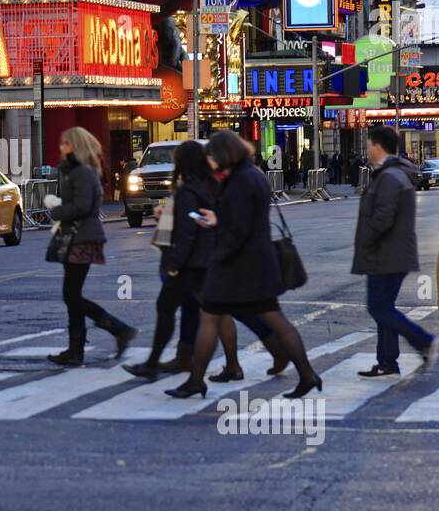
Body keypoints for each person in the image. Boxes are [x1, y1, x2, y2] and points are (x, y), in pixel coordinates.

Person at [166, 130, 322, 399]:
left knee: (211, 317)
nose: (210, 161)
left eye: (212, 156)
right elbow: (243, 221)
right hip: (255, 264)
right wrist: (218, 219)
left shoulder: (240, 182)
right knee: (272, 319)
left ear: (224, 153)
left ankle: (196, 380)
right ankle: (307, 374)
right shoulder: (253, 175)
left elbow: (237, 231)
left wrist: (217, 253)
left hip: (238, 266)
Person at [123, 141, 243, 380]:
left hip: (190, 265)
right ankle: (227, 364)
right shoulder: (211, 185)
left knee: (166, 308)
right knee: (215, 313)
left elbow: (187, 232)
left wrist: (173, 264)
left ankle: (157, 364)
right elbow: (200, 219)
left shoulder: (188, 190)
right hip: (208, 260)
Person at [353, 126, 439, 377]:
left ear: (378, 147)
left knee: (379, 308)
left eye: (369, 145)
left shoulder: (390, 177)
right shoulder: (392, 174)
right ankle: (387, 361)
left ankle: (423, 340)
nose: (367, 149)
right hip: (391, 253)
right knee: (384, 307)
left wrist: (366, 241)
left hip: (387, 254)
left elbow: (383, 218)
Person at [43, 127, 137, 365]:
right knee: (71, 294)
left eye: (65, 144)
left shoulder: (81, 173)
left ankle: (116, 329)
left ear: (76, 146)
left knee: (71, 294)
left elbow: (83, 206)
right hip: (76, 236)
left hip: (82, 237)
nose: (61, 147)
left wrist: (57, 211)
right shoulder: (74, 171)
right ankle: (76, 349)